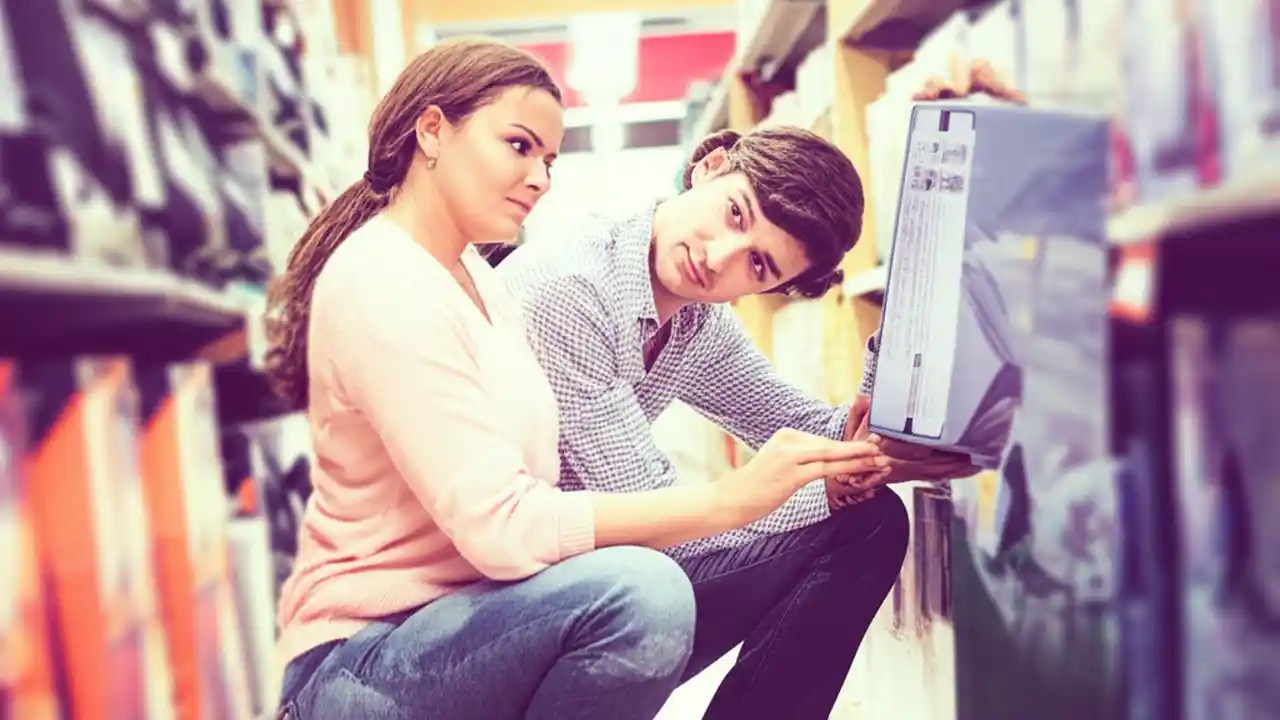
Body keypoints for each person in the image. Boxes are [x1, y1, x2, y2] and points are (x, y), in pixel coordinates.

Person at [263, 38, 889, 720]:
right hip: (368, 656)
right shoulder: (475, 283)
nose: (539, 179)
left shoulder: (477, 281)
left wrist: (890, 421)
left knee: (870, 523)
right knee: (644, 594)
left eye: (549, 159)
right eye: (518, 146)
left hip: (481, 612)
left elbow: (809, 429)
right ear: (433, 130)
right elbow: (517, 526)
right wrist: (761, 496)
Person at [498, 125, 980, 718]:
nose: (717, 257)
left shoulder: (694, 319)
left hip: (577, 584)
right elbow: (657, 523)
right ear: (710, 167)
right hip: (499, 609)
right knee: (863, 525)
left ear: (773, 287)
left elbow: (806, 427)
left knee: (869, 520)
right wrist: (837, 484)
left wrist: (885, 402)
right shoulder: (574, 290)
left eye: (757, 264)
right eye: (735, 212)